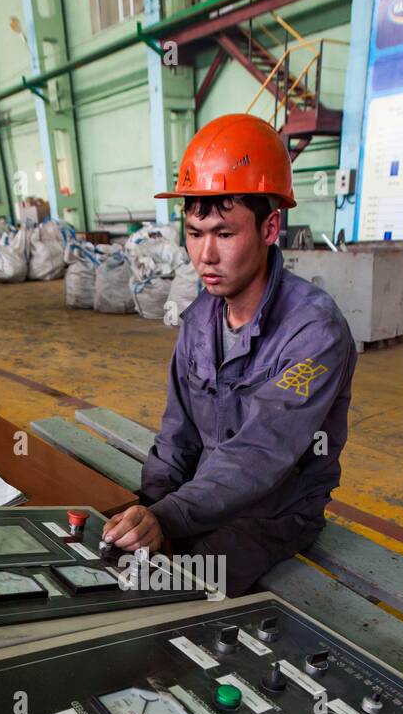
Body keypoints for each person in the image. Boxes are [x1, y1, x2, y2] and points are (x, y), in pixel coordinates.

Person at [101, 113, 356, 597]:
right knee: (117, 561)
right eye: (195, 234)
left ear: (269, 227)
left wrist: (169, 518)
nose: (205, 257)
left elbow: (260, 454)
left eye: (224, 233)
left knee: (178, 589)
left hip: (275, 511)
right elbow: (177, 434)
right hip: (201, 495)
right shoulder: (199, 318)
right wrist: (148, 507)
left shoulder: (314, 332)